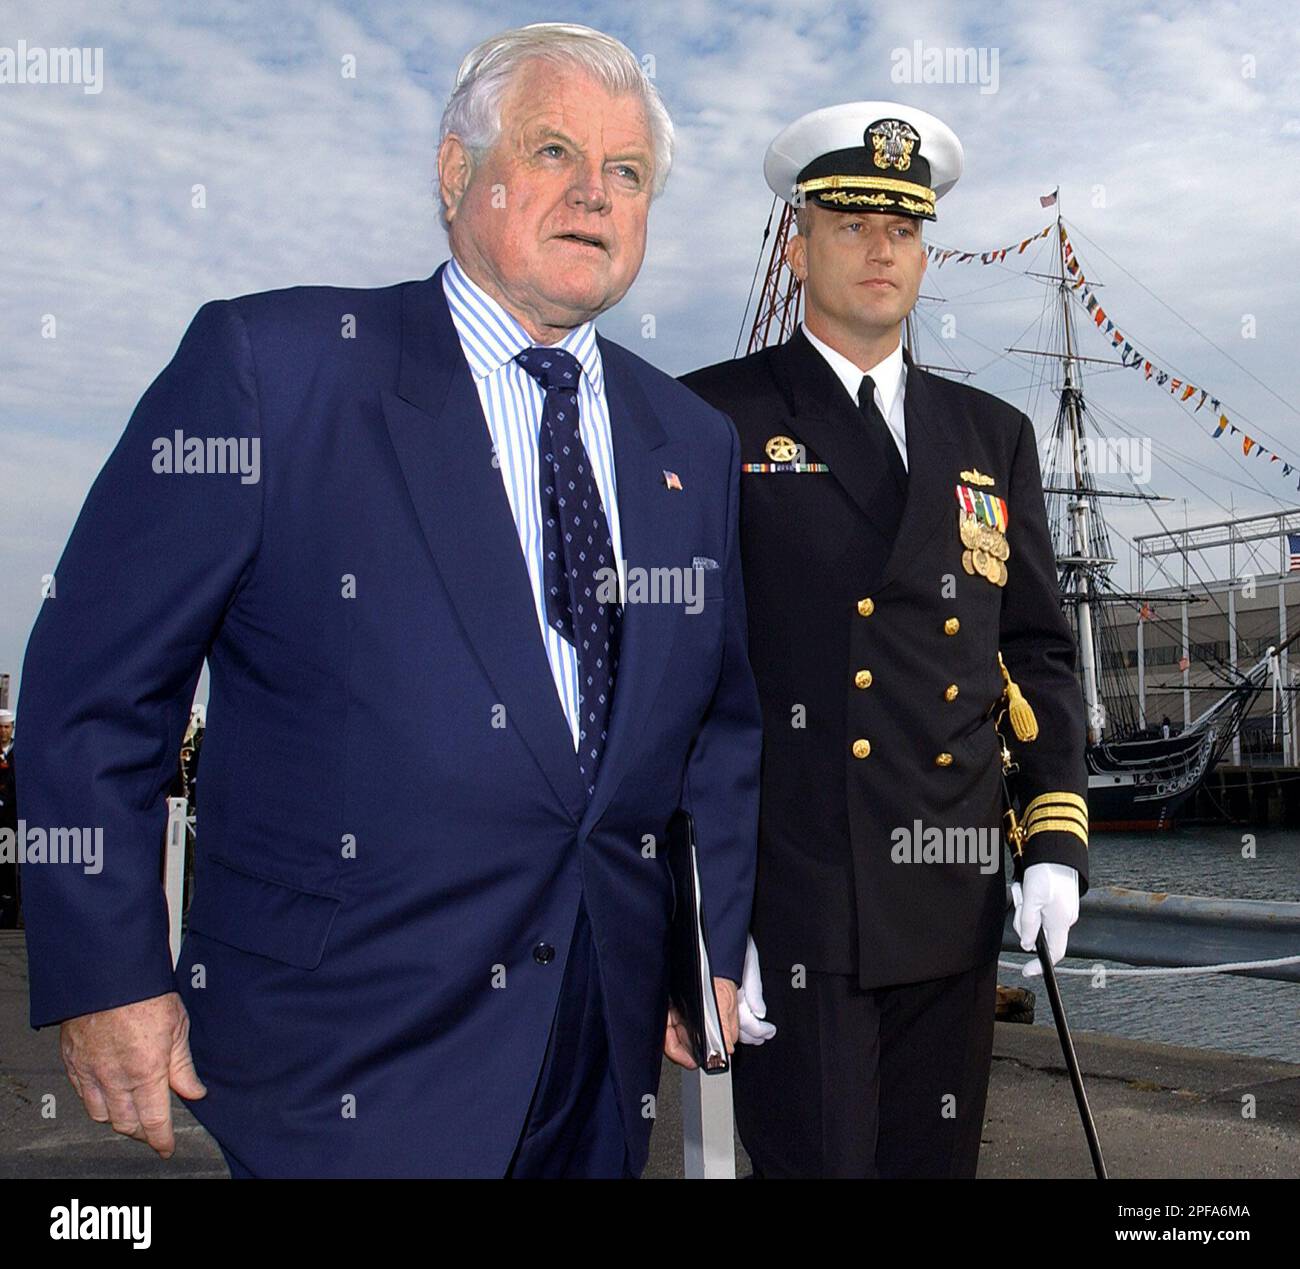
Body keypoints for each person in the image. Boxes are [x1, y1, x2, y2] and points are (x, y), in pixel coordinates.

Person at [18, 22, 760, 1179]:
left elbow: (714, 729)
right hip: (345, 1058)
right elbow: (95, 692)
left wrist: (702, 945)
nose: (593, 195)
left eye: (626, 173)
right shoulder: (274, 369)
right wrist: (111, 974)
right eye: (554, 150)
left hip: (599, 1056)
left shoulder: (690, 443)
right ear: (458, 173)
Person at [680, 102, 1089, 1178]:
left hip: (949, 900)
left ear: (924, 251)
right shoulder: (709, 418)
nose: (878, 247)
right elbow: (673, 681)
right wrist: (711, 915)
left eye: (902, 227)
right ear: (796, 241)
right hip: (797, 900)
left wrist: (1053, 840)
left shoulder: (987, 434)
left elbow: (1036, 649)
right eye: (851, 220)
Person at [0, 709, 16, 927]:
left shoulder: (17, 752)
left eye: (7, 727)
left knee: (8, 866)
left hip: (10, 822)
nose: (4, 731)